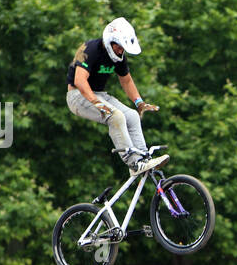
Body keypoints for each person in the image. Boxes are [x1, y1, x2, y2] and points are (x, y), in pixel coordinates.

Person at [65, 17, 166, 176]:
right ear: (110, 42)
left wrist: (139, 102)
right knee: (115, 116)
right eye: (119, 47)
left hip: (99, 94)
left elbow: (126, 81)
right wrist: (97, 103)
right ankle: (134, 163)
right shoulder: (89, 49)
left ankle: (142, 159)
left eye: (123, 49)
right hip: (77, 96)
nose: (120, 51)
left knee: (132, 116)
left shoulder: (119, 57)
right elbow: (79, 81)